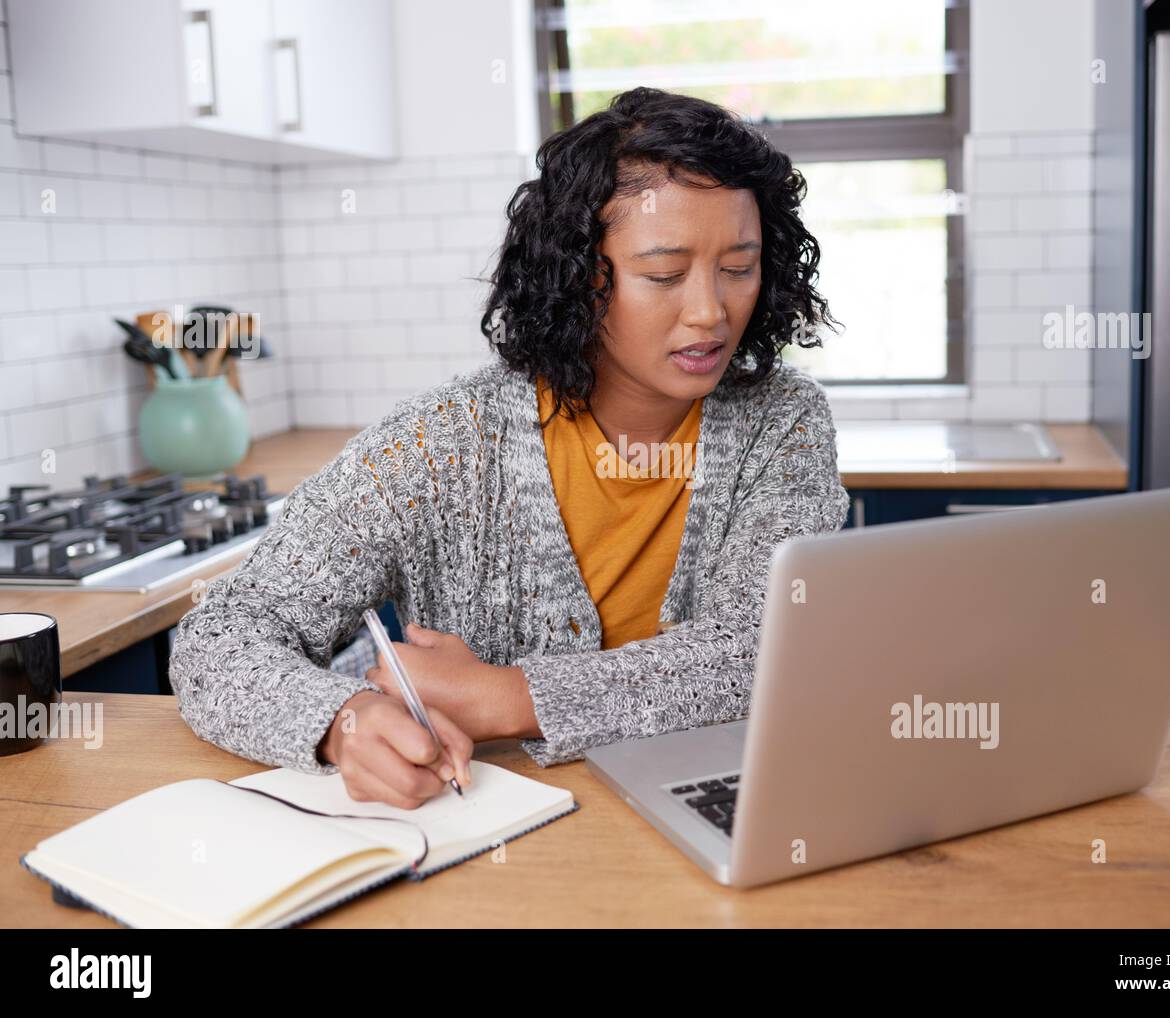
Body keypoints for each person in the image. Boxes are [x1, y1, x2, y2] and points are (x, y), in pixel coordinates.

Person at [169, 87, 849, 810]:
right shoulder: (441, 445)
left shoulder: (783, 420)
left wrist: (509, 697)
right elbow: (222, 637)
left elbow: (769, 651)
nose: (712, 311)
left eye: (739, 268)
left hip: (723, 817)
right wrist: (342, 724)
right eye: (664, 274)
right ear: (580, 277)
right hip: (501, 849)